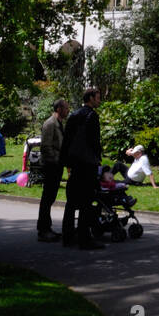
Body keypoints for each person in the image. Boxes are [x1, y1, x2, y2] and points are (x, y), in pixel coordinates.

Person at [59, 88, 104, 250]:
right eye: (98, 97)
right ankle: (85, 239)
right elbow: (94, 142)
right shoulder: (92, 116)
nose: (99, 100)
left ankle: (67, 236)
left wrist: (67, 163)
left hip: (74, 164)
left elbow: (66, 141)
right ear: (91, 98)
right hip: (87, 164)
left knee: (71, 202)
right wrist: (98, 158)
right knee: (86, 201)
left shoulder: (73, 116)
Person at [36, 99, 69, 242]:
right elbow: (46, 147)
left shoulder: (59, 123)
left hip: (57, 165)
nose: (68, 110)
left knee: (51, 197)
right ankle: (43, 230)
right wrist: (56, 161)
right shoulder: (50, 124)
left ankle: (47, 228)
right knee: (47, 197)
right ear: (59, 108)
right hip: (51, 165)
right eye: (66, 108)